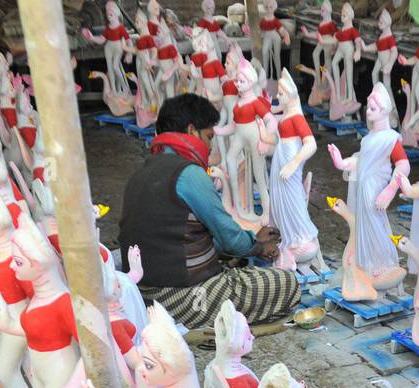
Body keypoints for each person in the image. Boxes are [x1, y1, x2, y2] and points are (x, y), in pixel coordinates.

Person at [118, 93, 299, 328]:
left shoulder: (140, 173)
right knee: (286, 282)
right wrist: (256, 246)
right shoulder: (188, 173)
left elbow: (179, 238)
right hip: (181, 298)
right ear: (192, 131)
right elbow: (231, 239)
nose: (211, 144)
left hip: (140, 294)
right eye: (209, 136)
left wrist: (248, 241)